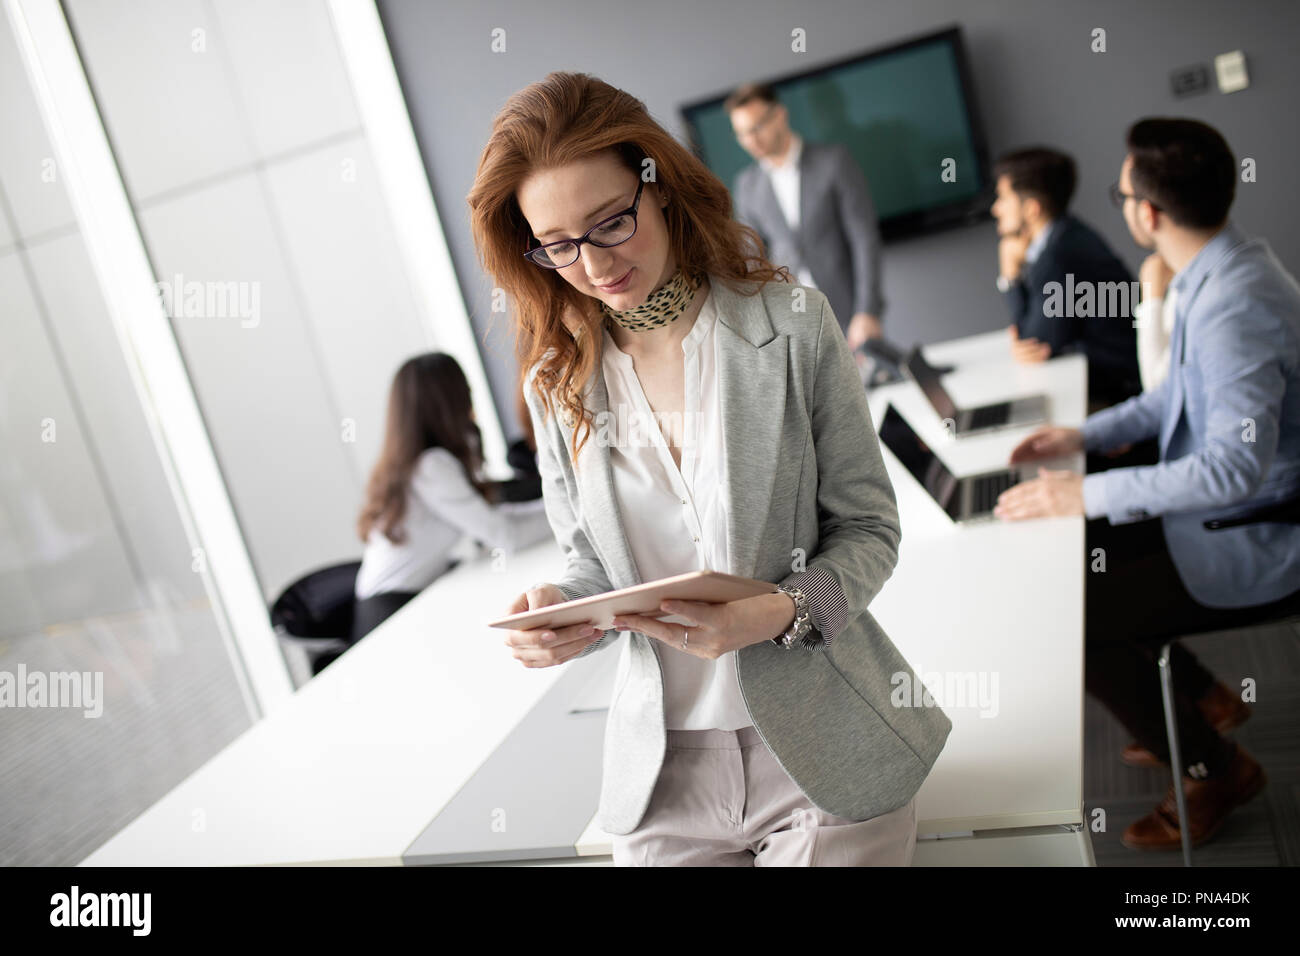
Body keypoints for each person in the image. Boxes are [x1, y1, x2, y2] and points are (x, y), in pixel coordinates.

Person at [469, 71, 949, 867]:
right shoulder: (556, 384)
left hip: (822, 741)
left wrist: (780, 612)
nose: (594, 264)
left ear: (656, 185)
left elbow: (870, 531)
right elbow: (593, 566)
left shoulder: (793, 325)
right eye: (559, 245)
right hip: (664, 774)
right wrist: (562, 611)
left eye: (611, 221)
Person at [994, 118, 1300, 850]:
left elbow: (1232, 468)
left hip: (1257, 533)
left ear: (1150, 213)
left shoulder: (1234, 304)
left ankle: (1214, 769)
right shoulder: (1217, 270)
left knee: (1076, 620)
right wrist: (1083, 437)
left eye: (1123, 193)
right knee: (1079, 559)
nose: (1124, 205)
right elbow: (1172, 399)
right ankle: (1204, 700)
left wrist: (1087, 492)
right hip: (1223, 513)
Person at [354, 352, 552, 605]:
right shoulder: (430, 466)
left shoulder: (417, 463)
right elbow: (506, 536)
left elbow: (496, 518)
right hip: (392, 604)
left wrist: (556, 508)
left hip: (395, 596)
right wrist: (566, 514)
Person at [727, 83, 885, 350]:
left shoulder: (834, 161)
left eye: (757, 128)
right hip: (791, 322)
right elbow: (752, 259)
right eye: (741, 134)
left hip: (848, 310)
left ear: (779, 115)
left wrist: (867, 310)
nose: (751, 141)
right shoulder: (747, 185)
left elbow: (864, 239)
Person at [991, 147, 1141, 409]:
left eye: (1002, 198)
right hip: (1118, 377)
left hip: (1122, 391)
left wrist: (1010, 276)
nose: (995, 209)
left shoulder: (1057, 258)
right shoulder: (1067, 234)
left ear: (1032, 209)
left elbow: (1033, 343)